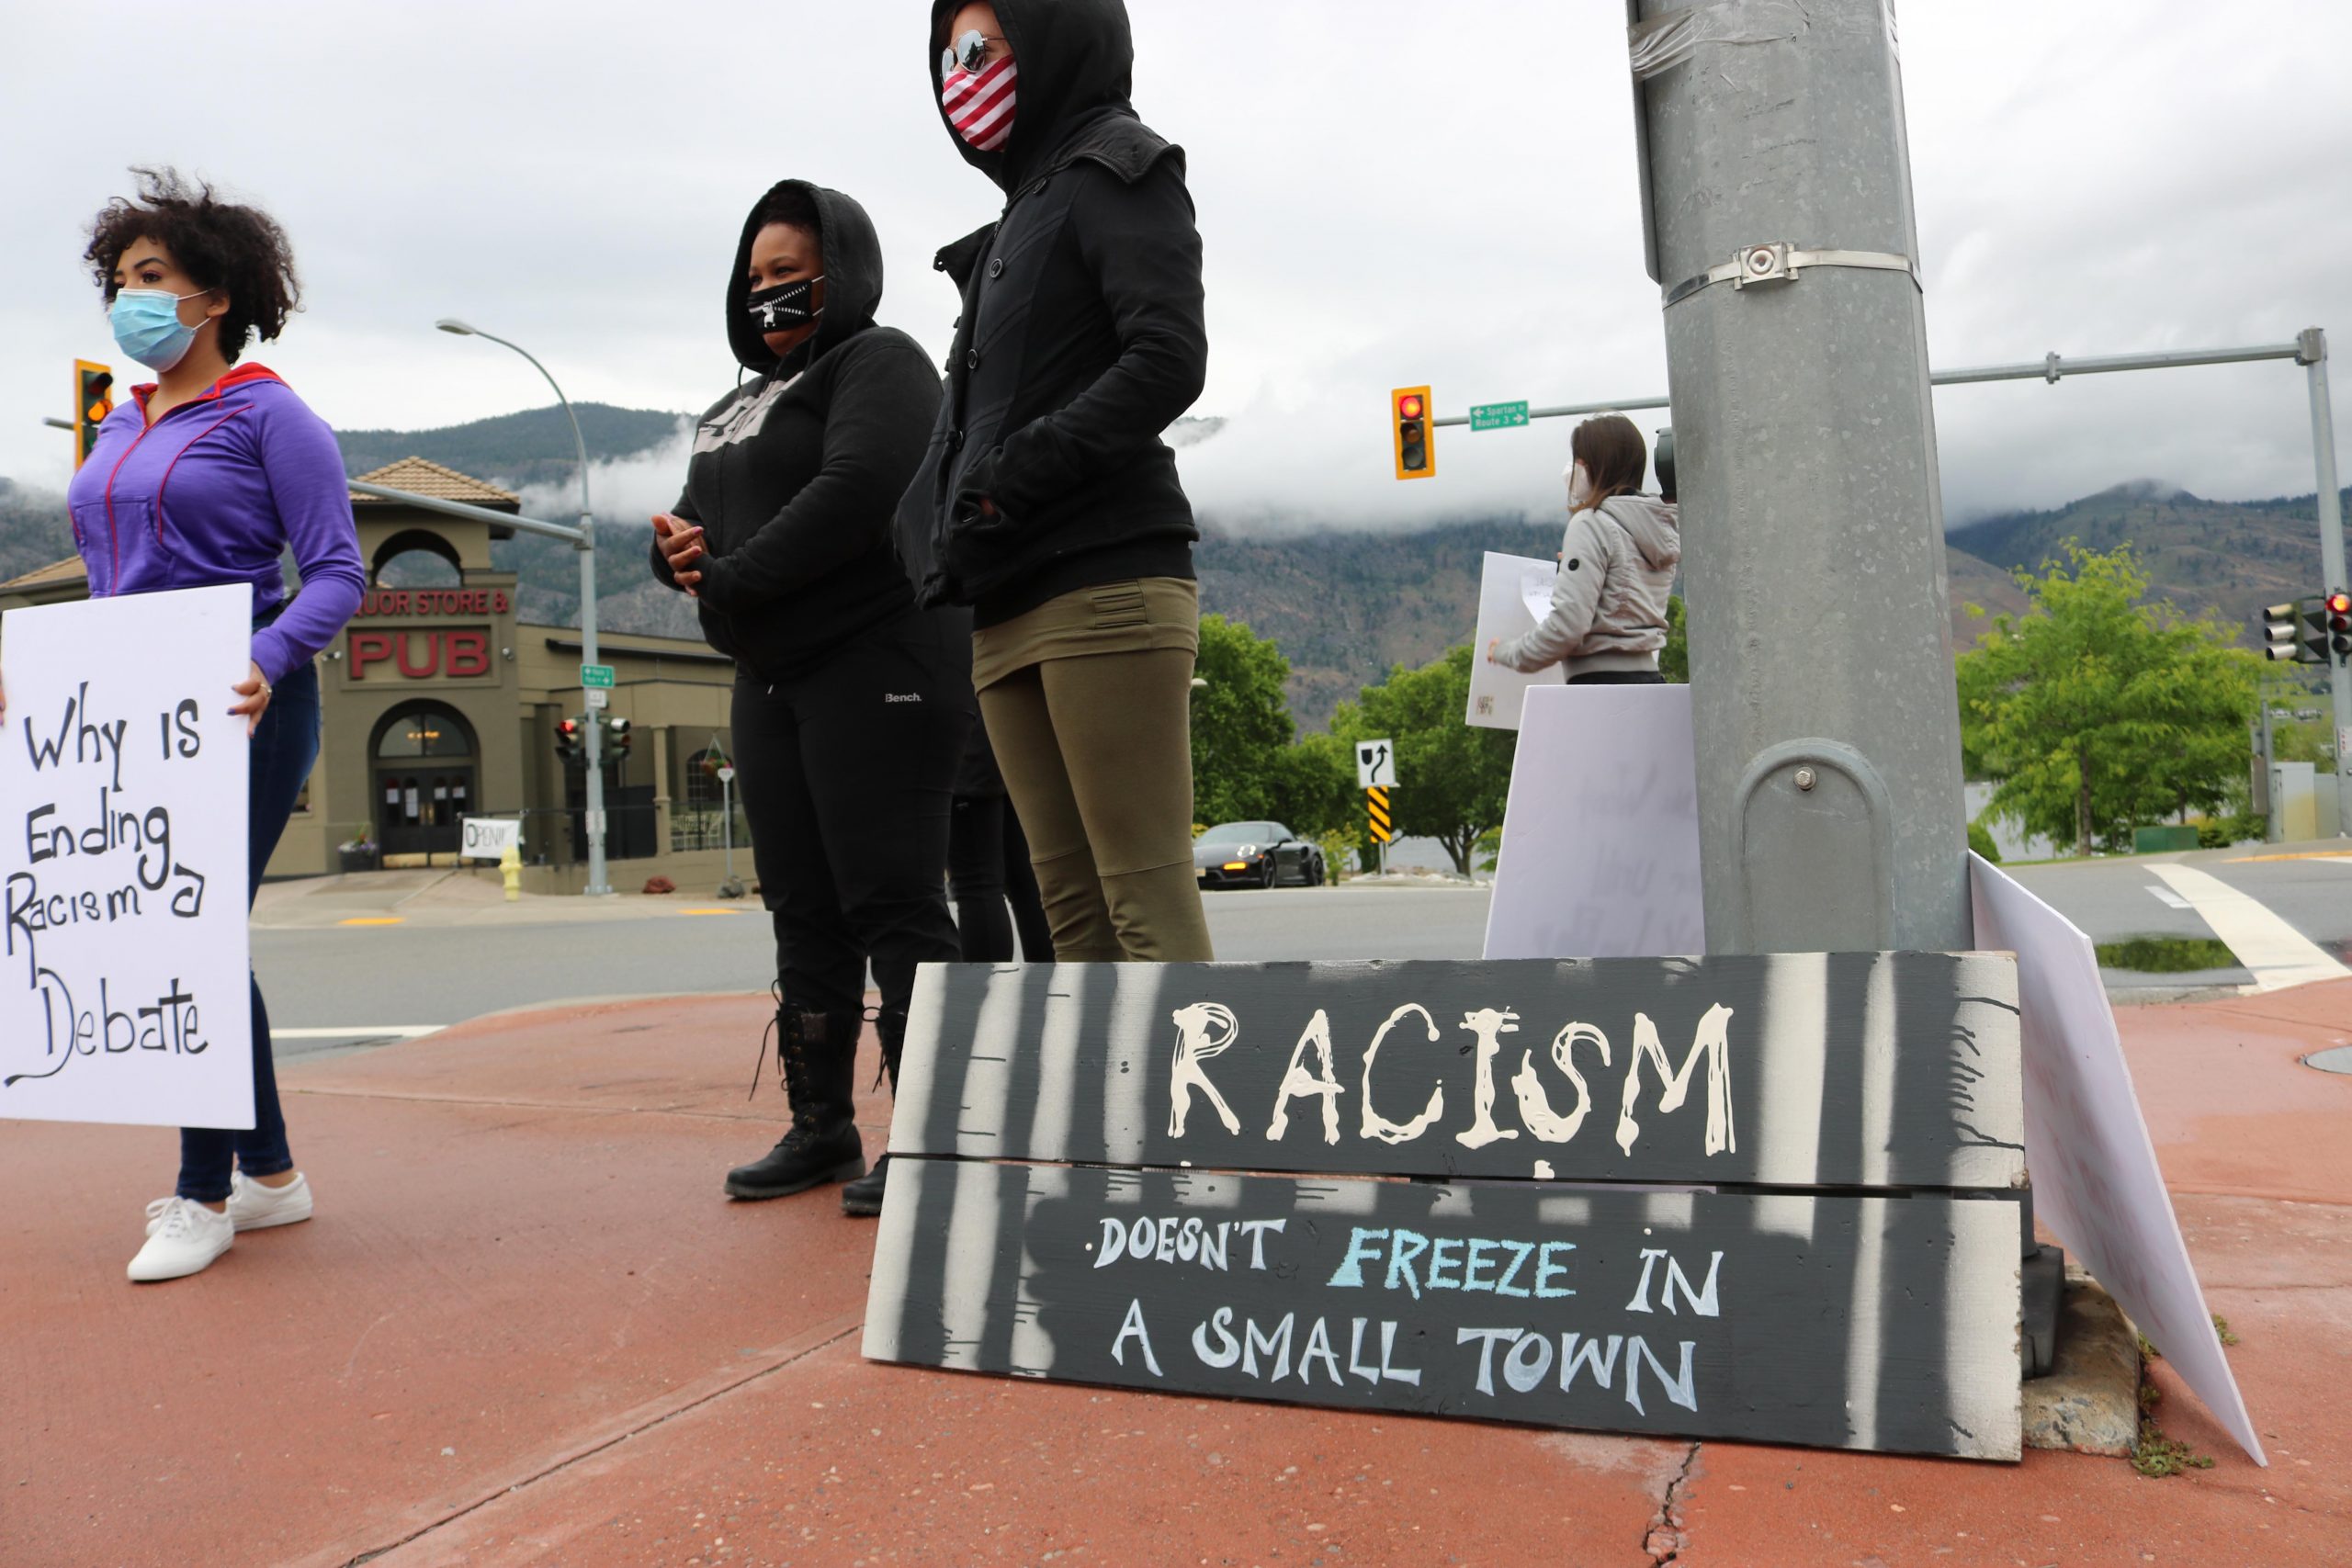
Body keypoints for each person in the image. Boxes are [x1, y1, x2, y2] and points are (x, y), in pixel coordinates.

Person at [55, 168, 365, 1282]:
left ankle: (200, 1193)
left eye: (149, 277)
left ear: (214, 294)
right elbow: (108, 581)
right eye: (117, 281)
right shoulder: (119, 420)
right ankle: (271, 1174)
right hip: (128, 710)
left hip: (241, 705)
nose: (127, 299)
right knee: (181, 935)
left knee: (180, 937)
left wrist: (269, 658)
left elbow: (337, 573)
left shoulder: (274, 417)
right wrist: (43, 680)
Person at [650, 180, 965, 1217]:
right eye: (755, 280)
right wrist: (679, 554)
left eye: (788, 274)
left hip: (874, 661)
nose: (769, 295)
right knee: (802, 906)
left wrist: (732, 576)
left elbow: (856, 491)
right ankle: (822, 1123)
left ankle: (935, 1137)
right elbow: (700, 516)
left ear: (842, 269)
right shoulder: (729, 406)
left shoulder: (881, 362)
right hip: (770, 677)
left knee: (892, 900)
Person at [899, 0, 1216, 964]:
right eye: (951, 52)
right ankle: (1111, 1121)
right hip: (1003, 594)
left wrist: (1012, 476)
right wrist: (931, 521)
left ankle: (1194, 1120)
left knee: (1142, 902)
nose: (965, 71)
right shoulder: (1018, 216)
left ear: (1056, 35)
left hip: (1105, 580)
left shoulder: (1117, 167)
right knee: (1070, 913)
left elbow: (1167, 356)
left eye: (984, 47)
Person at [1487, 413, 1680, 684]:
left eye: (1579, 460)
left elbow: (1566, 628)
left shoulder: (1591, 523)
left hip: (1600, 688)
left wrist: (1505, 651)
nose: (1574, 468)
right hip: (1648, 682)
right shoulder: (1658, 526)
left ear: (1592, 466)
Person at [950, 723, 1054, 962]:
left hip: (970, 751)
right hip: (1009, 748)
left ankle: (988, 995)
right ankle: (1048, 988)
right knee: (1024, 883)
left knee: (977, 884)